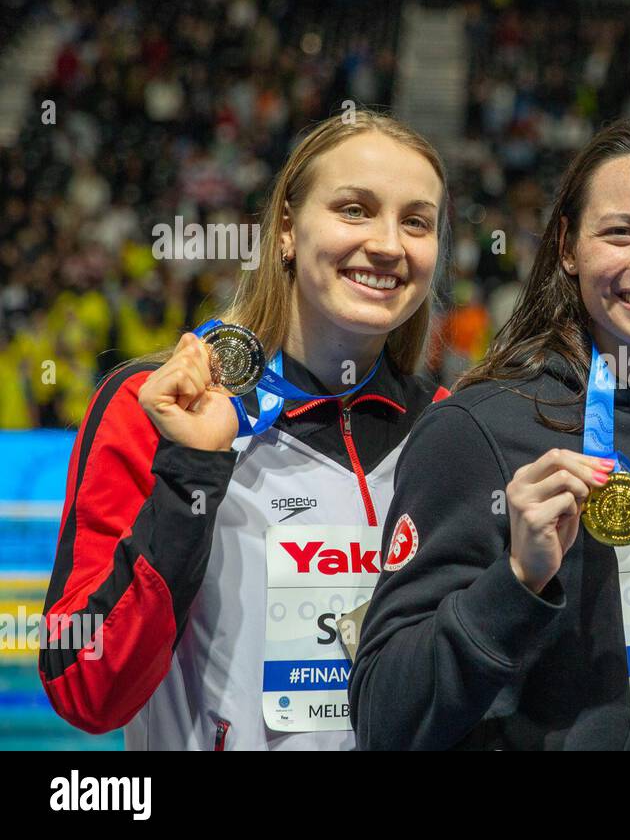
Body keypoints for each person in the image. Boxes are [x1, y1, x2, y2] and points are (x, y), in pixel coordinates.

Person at [350, 116, 630, 750]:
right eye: (620, 233)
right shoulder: (477, 431)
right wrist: (517, 580)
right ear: (568, 248)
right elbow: (387, 720)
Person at [39, 111, 450, 749]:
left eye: (416, 222)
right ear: (285, 228)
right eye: (354, 209)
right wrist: (189, 475)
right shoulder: (156, 407)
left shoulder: (450, 426)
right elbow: (86, 689)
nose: (389, 244)